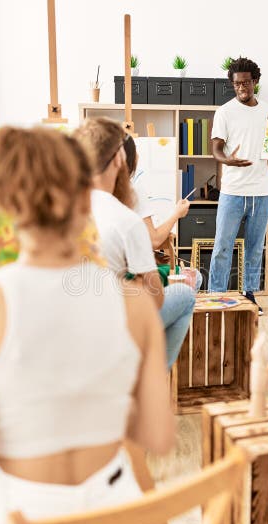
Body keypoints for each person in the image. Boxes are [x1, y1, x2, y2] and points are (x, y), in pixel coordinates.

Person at [0, 127, 174, 524]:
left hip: (24, 515)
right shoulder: (135, 305)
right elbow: (159, 437)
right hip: (115, 514)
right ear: (86, 199)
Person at [75, 117, 195, 367]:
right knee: (185, 291)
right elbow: (155, 297)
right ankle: (154, 374)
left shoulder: (63, 208)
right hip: (111, 327)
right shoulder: (126, 219)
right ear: (119, 160)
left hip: (74, 327)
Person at [209, 57, 268, 314]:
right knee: (222, 247)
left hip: (262, 191)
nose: (242, 88)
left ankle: (249, 295)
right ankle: (216, 295)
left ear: (255, 82)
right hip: (233, 191)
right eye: (237, 84)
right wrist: (228, 160)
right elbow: (216, 149)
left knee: (255, 248)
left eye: (246, 83)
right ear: (233, 84)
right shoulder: (224, 112)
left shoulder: (267, 110)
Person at [123, 134, 203, 292]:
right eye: (136, 150)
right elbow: (154, 240)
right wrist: (177, 214)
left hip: (112, 272)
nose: (138, 155)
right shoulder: (133, 191)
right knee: (196, 277)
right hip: (132, 277)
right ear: (130, 158)